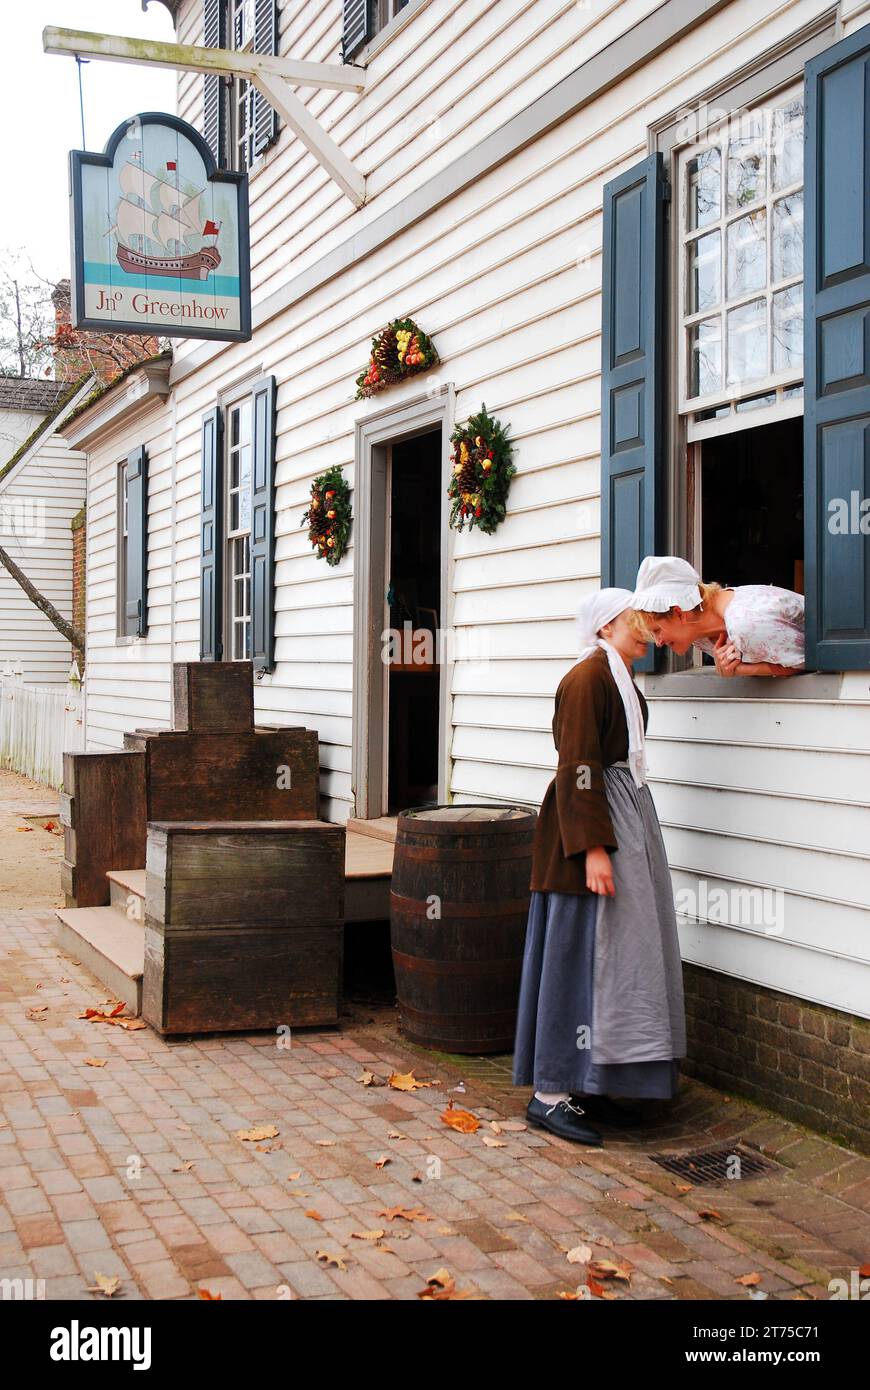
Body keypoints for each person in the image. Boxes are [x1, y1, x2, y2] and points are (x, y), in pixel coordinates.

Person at [512, 588, 686, 1144]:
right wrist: (591, 849)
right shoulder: (587, 679)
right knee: (578, 951)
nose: (644, 629)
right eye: (632, 620)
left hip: (623, 818)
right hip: (586, 832)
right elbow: (577, 766)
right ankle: (551, 1094)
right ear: (604, 628)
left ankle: (592, 1083)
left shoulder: (623, 680)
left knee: (618, 954)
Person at [631, 556, 805, 677]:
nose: (658, 642)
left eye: (656, 631)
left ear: (678, 613)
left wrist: (740, 670)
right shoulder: (698, 634)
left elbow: (803, 662)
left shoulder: (744, 621)